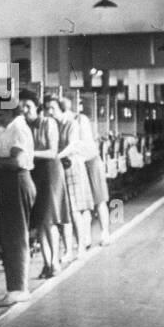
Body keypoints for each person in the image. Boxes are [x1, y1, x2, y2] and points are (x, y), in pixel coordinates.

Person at [0, 96, 35, 305]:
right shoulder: (6, 128)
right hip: (7, 183)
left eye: (0, 112)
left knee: (15, 236)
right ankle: (15, 286)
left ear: (10, 112)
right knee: (10, 235)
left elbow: (17, 161)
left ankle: (18, 289)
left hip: (16, 182)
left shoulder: (18, 129)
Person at [24, 89, 67, 278]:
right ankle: (47, 262)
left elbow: (53, 151)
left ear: (37, 107)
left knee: (49, 221)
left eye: (28, 106)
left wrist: (29, 154)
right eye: (22, 107)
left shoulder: (48, 123)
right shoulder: (24, 125)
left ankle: (55, 261)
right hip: (34, 173)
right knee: (40, 221)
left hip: (50, 172)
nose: (25, 110)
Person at [51, 95, 94, 256]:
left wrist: (56, 155)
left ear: (63, 110)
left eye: (53, 109)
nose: (50, 112)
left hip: (74, 167)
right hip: (61, 168)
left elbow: (72, 145)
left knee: (76, 210)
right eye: (48, 109)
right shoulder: (54, 125)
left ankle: (81, 246)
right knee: (67, 211)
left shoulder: (72, 124)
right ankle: (69, 249)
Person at [66, 96, 112, 247]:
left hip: (91, 161)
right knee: (84, 204)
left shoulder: (81, 119)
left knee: (99, 200)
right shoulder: (65, 123)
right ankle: (85, 237)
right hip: (78, 164)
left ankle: (105, 234)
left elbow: (84, 144)